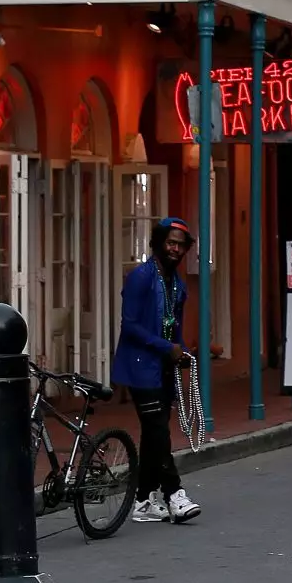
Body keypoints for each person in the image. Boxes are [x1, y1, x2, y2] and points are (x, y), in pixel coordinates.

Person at [114, 217, 203, 524]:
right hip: (140, 366)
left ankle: (142, 501)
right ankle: (175, 494)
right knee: (158, 430)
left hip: (163, 366)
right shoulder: (141, 276)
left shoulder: (177, 283)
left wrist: (181, 356)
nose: (175, 249)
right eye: (170, 242)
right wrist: (168, 348)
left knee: (154, 433)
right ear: (158, 242)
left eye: (181, 245)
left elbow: (174, 328)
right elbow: (130, 326)